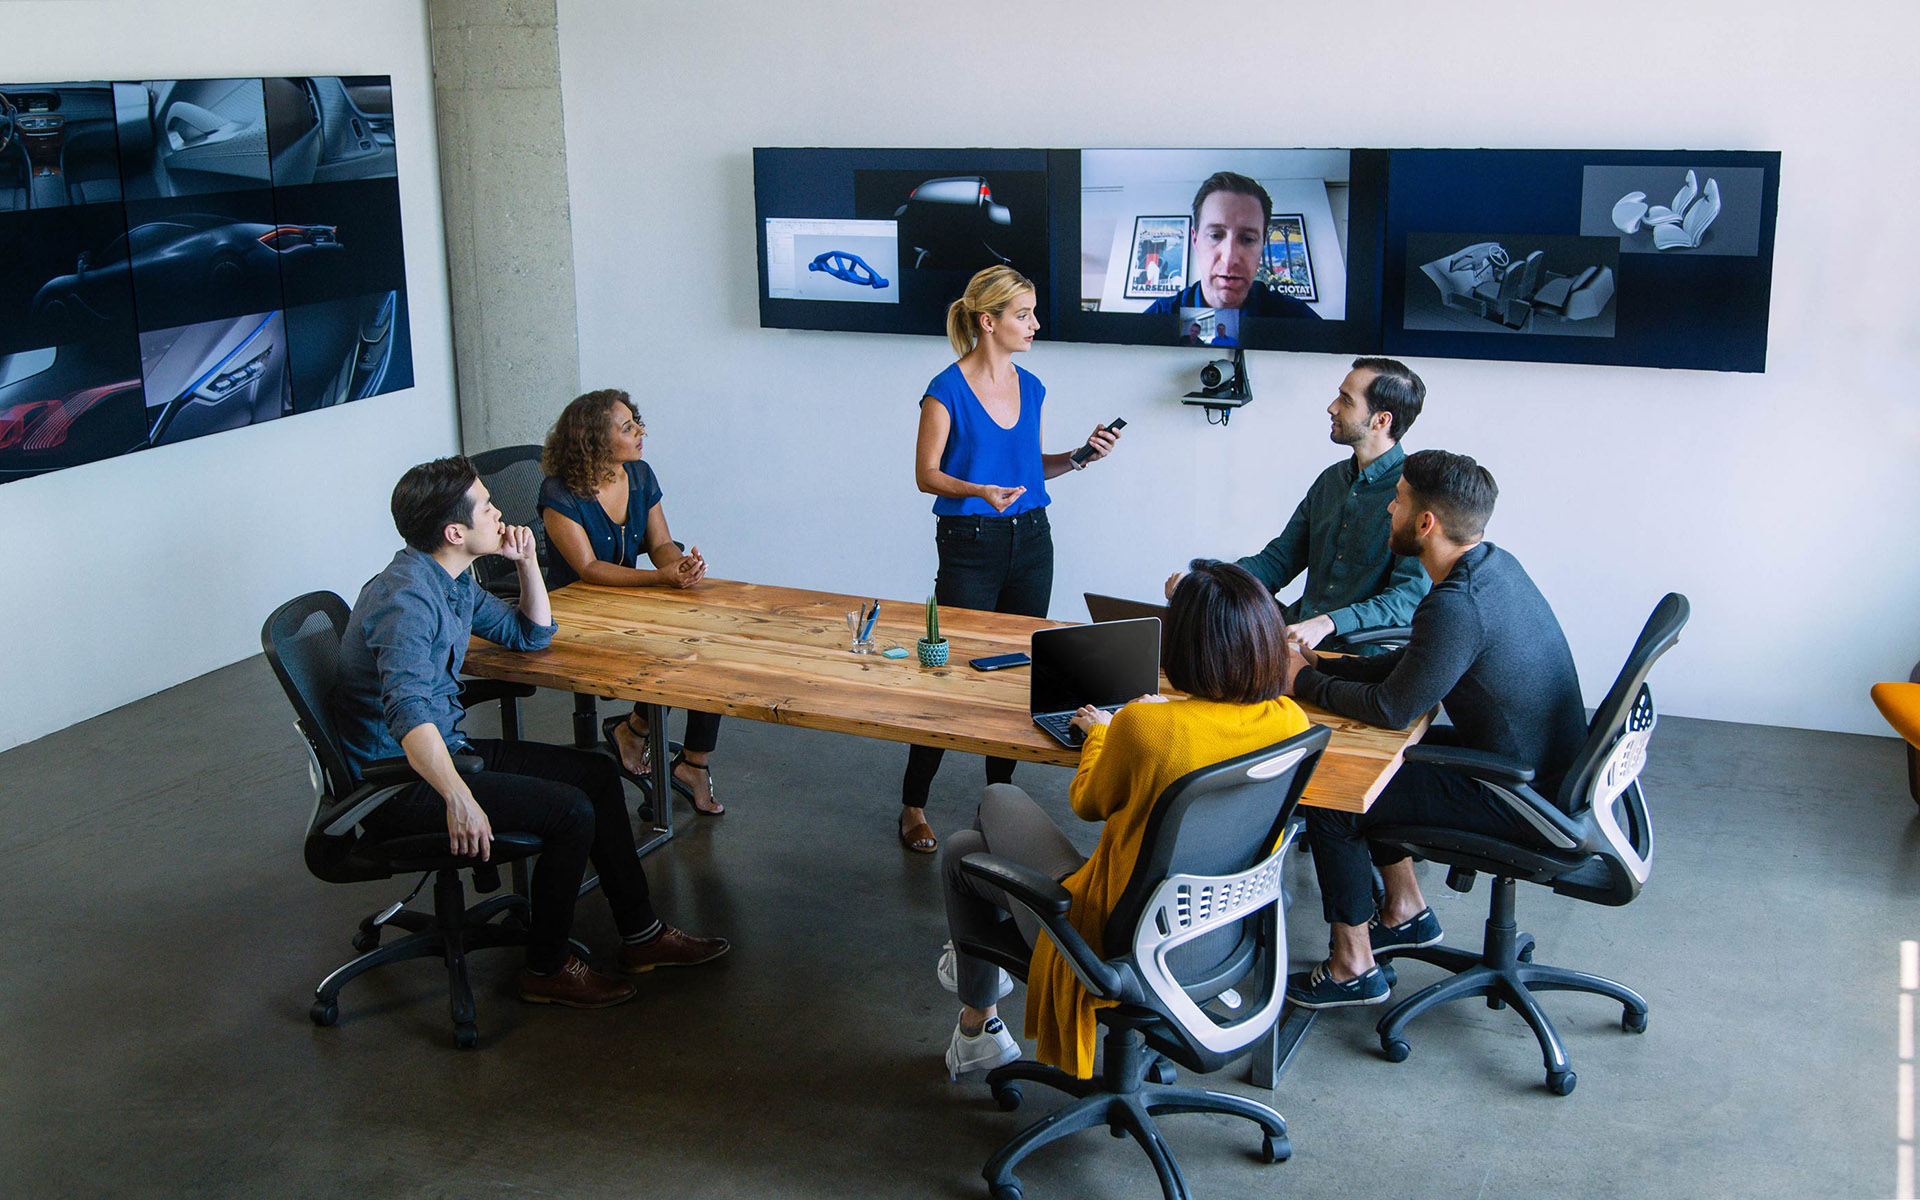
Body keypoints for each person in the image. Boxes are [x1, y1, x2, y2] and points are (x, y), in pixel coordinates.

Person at [332, 456, 729, 1009]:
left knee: (596, 773)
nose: (499, 514)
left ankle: (642, 936)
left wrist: (525, 564)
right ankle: (546, 968)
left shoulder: (449, 579)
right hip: (401, 782)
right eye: (487, 507)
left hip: (447, 750)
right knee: (570, 812)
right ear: (455, 533)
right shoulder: (406, 601)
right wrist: (459, 798)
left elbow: (531, 635)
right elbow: (408, 713)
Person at [935, 561, 1310, 1079]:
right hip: (1221, 930)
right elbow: (1211, 730)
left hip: (1110, 943)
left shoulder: (1147, 728)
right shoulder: (1291, 721)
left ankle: (979, 1017)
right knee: (971, 847)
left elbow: (1087, 801)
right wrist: (1164, 711)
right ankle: (976, 999)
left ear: (1182, 647)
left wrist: (1102, 732)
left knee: (975, 829)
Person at [1278, 449, 1588, 1008]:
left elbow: (1393, 708)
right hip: (1536, 768)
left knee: (1334, 794)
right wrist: (1325, 666)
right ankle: (1405, 911)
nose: (1388, 509)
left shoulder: (1456, 605)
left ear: (1425, 523)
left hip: (1520, 796)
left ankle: (1352, 968)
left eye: (1396, 501)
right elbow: (1416, 665)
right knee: (1382, 768)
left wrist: (1301, 682)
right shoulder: (1493, 567)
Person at [903, 264, 1122, 854]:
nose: (1035, 324)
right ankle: (913, 803)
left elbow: (1029, 468)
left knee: (1015, 673)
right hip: (970, 542)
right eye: (1023, 315)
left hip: (1032, 539)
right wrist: (980, 491)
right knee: (946, 674)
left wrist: (1080, 456)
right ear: (987, 321)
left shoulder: (1033, 387)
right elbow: (926, 475)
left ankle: (996, 802)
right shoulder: (944, 390)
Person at [538, 389, 724, 815]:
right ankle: (636, 730)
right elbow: (588, 568)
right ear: (594, 441)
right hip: (575, 612)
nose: (640, 431)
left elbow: (660, 544)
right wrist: (661, 578)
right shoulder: (559, 494)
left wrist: (679, 567)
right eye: (627, 427)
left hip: (627, 602)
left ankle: (690, 761)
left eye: (636, 422)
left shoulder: (639, 475)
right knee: (674, 652)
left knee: (707, 642)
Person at [1166, 357, 1430, 652]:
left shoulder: (1416, 495)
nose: (1332, 407)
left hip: (1355, 657)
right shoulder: (1331, 480)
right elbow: (1278, 561)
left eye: (1346, 400)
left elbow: (1406, 600)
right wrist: (1208, 582)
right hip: (1294, 639)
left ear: (1381, 420)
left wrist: (1330, 622)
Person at [1144, 171, 1320, 320]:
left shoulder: (1297, 318)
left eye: (1247, 239)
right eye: (1215, 235)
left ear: (1262, 245)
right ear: (1195, 240)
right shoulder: (1159, 316)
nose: (1229, 259)